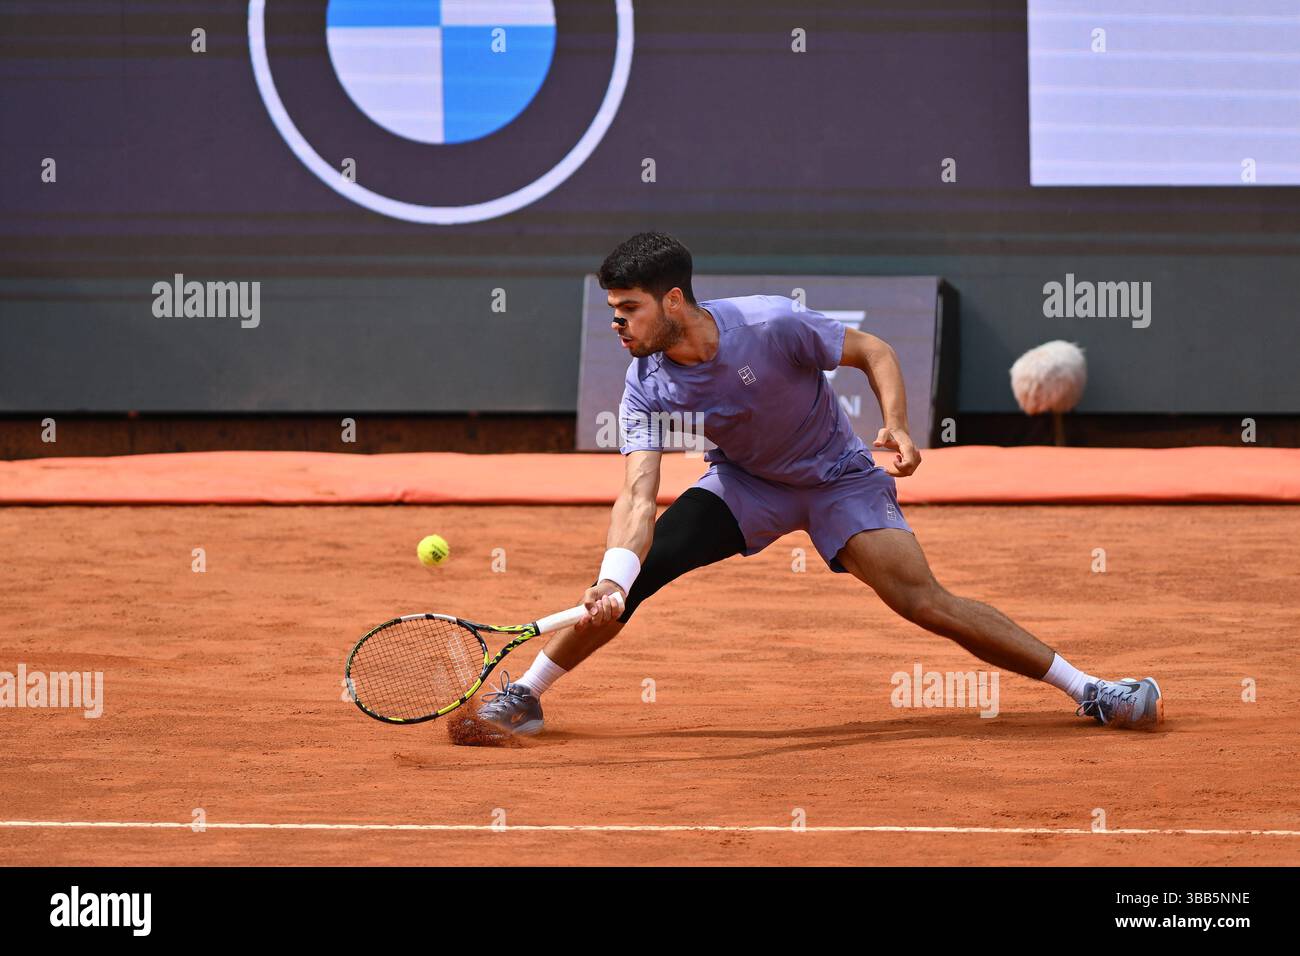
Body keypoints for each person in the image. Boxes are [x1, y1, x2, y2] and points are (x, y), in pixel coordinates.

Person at [479, 232, 1163, 736]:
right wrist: (610, 578)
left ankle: (1092, 691)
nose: (616, 324)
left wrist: (895, 423)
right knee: (642, 572)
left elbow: (874, 351)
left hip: (838, 478)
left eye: (627, 308)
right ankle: (529, 693)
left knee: (922, 600)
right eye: (612, 310)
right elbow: (637, 494)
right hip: (747, 485)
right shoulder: (645, 386)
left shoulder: (771, 324)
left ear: (675, 299)